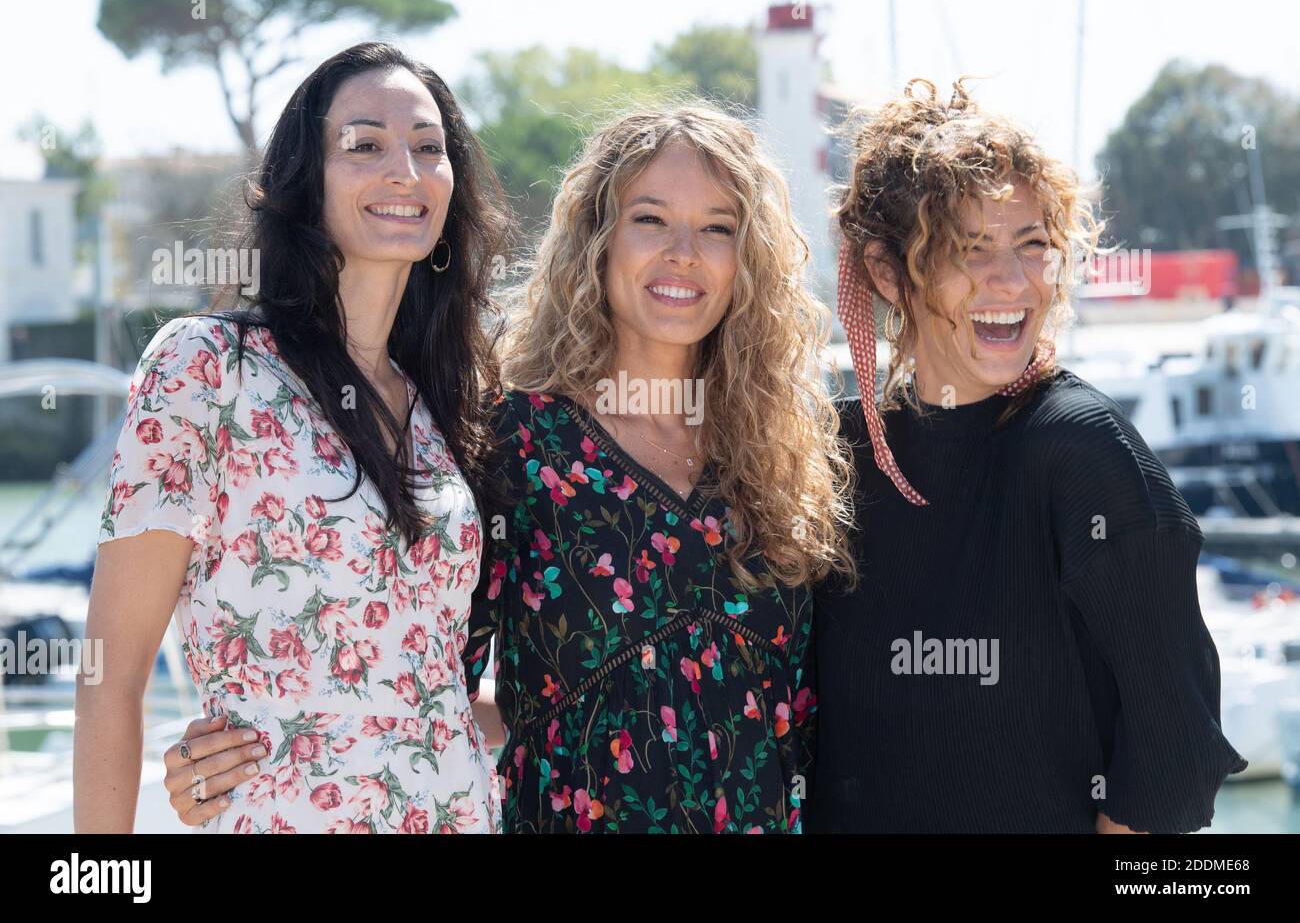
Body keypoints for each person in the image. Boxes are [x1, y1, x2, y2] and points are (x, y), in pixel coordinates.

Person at [74, 41, 513, 833]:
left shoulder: (451, 406)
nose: (405, 172)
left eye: (428, 147)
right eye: (365, 145)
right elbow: (110, 680)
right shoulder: (208, 369)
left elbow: (422, 678)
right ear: (305, 181)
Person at [808, 78, 1247, 833]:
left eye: (1032, 244)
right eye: (968, 248)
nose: (1010, 282)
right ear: (886, 272)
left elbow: (1171, 756)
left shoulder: (1081, 450)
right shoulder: (836, 454)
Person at [460, 103, 856, 832]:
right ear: (596, 240)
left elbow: (810, 709)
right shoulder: (514, 441)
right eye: (650, 219)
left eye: (717, 227)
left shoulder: (782, 450)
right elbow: (429, 678)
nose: (684, 252)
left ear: (748, 259)